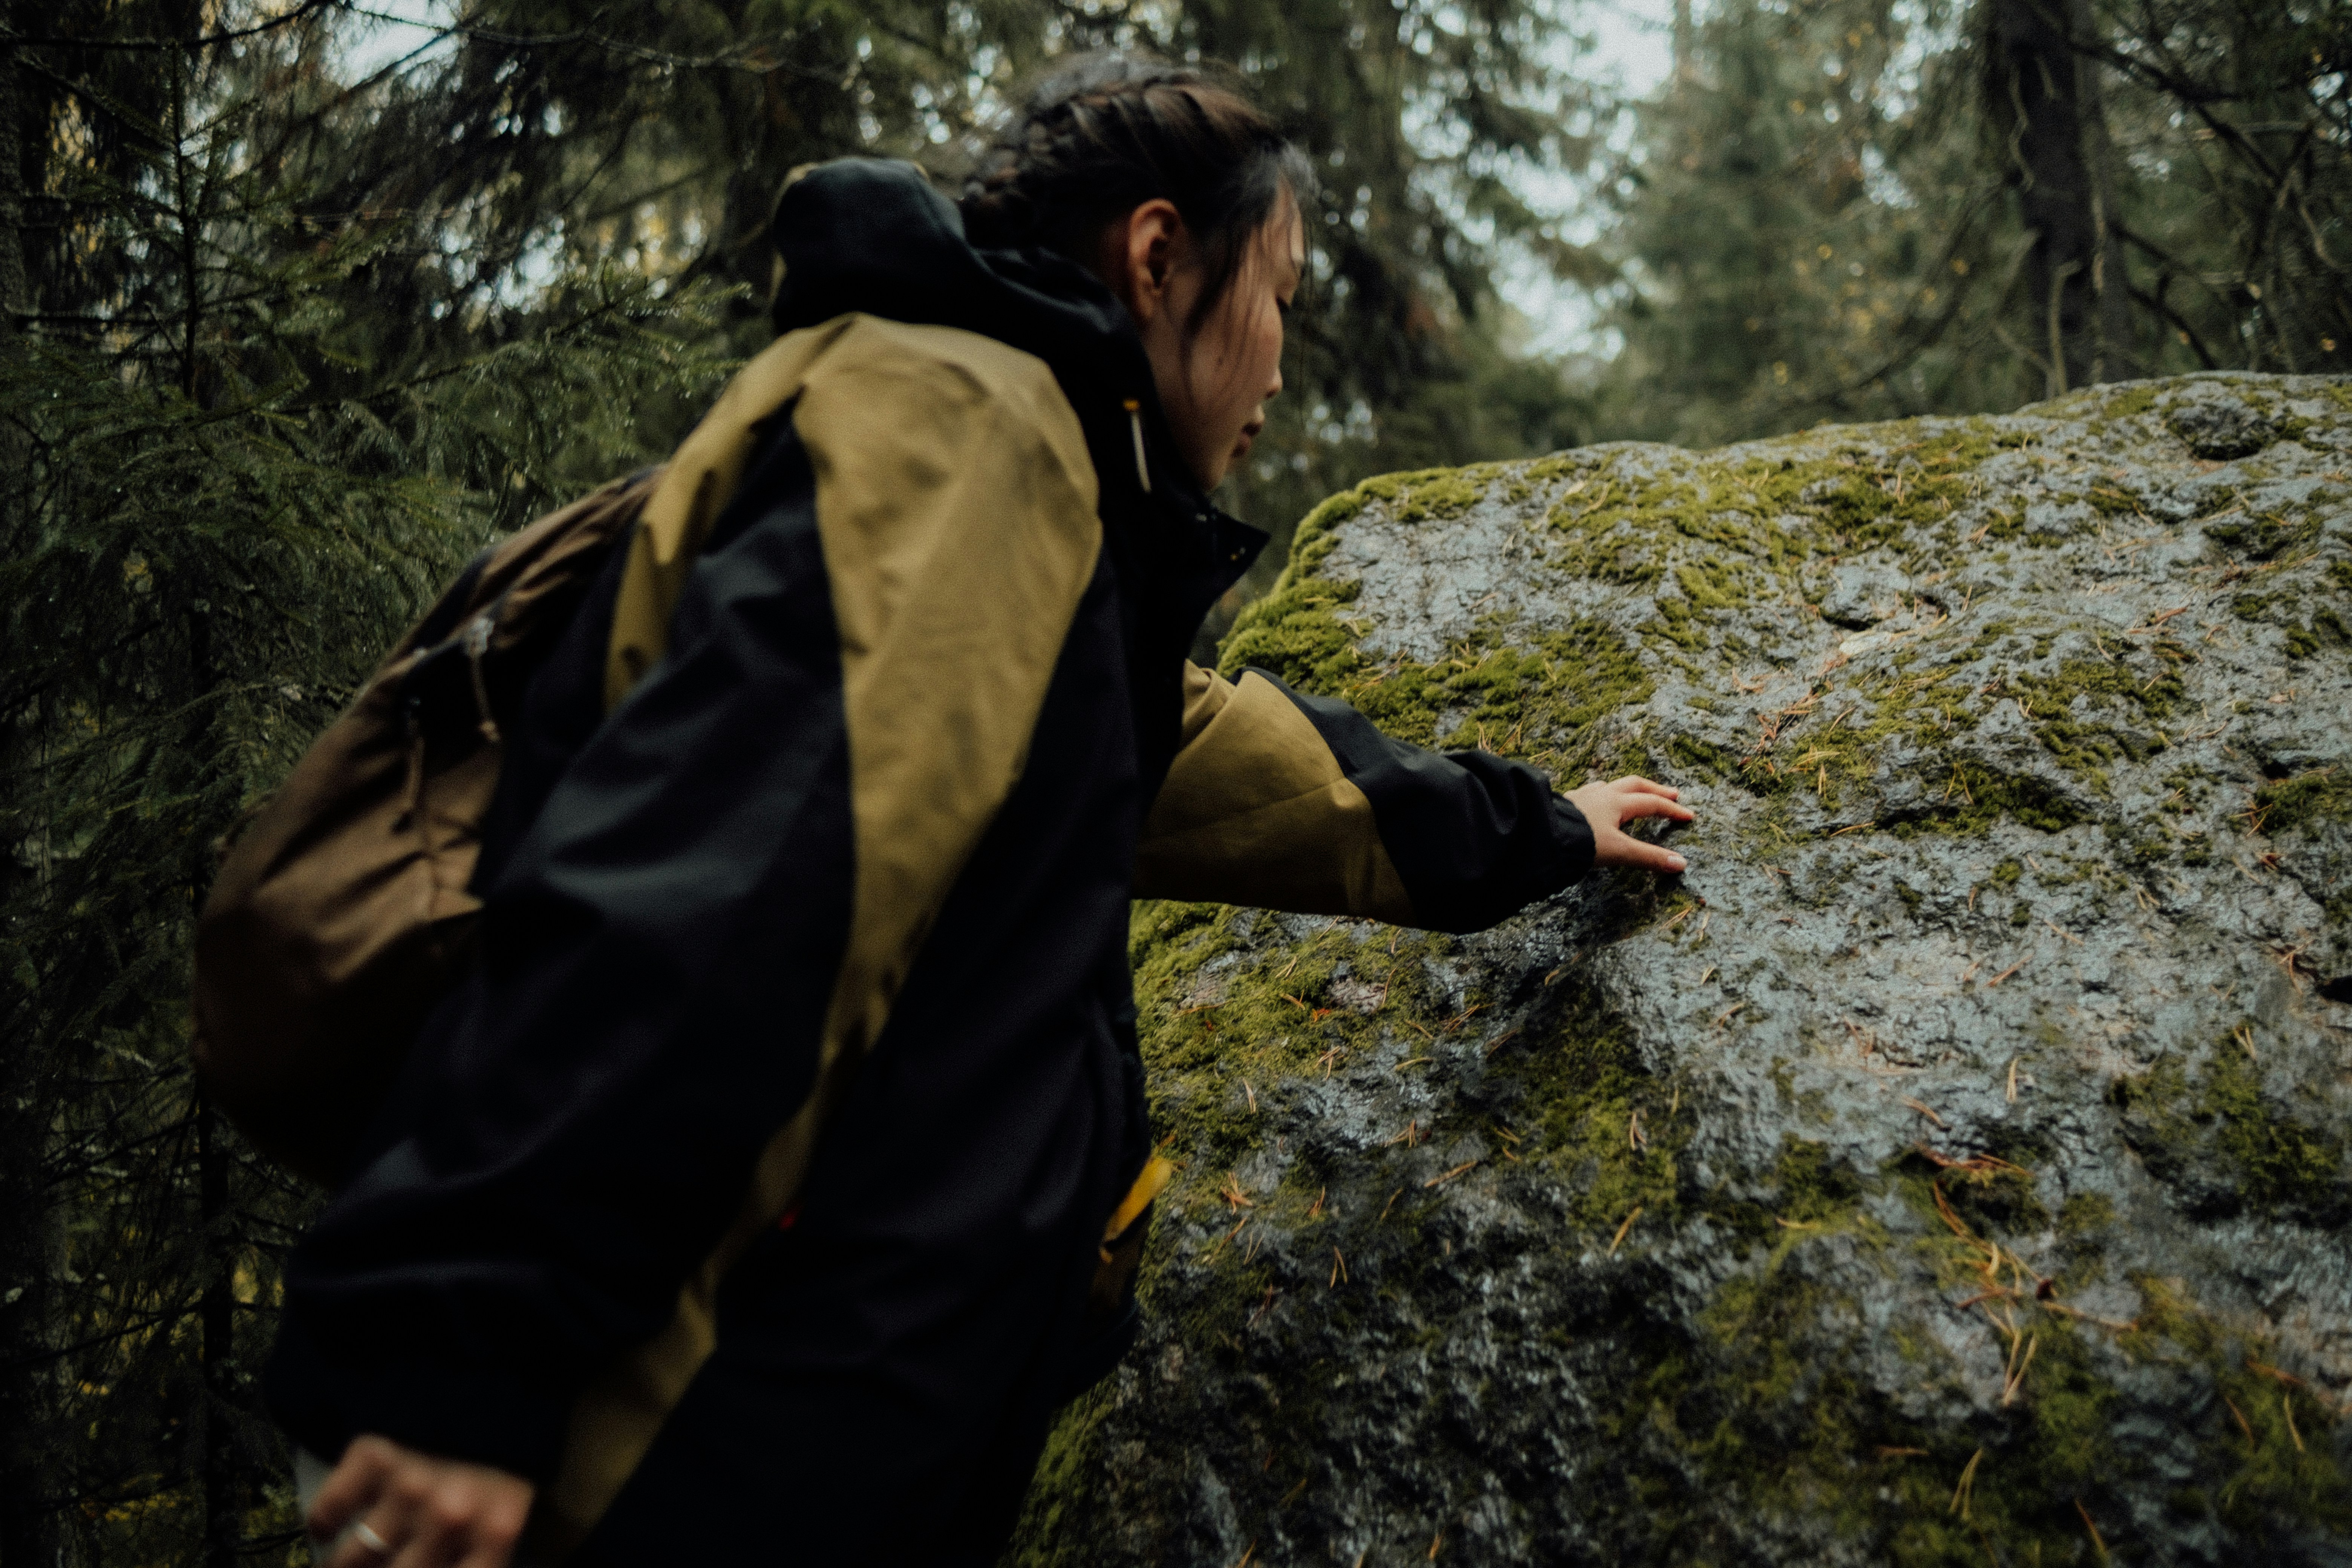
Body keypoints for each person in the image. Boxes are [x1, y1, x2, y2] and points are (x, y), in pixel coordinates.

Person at [271, 53, 1695, 1568]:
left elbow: (1213, 757)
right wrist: (476, 1345)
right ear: (1158, 257)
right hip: (721, 1433)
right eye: (1276, 293)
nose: (1283, 360)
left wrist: (1532, 827)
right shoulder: (972, 431)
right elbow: (731, 863)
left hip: (830, 1410)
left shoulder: (1029, 472)